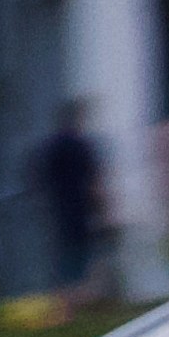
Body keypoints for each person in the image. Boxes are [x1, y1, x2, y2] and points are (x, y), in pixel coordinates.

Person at [31, 97, 115, 301]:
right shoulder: (81, 146)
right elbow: (95, 181)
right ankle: (77, 299)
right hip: (80, 210)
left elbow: (37, 176)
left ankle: (64, 299)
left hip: (60, 209)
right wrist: (104, 210)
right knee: (80, 256)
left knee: (64, 255)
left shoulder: (50, 146)